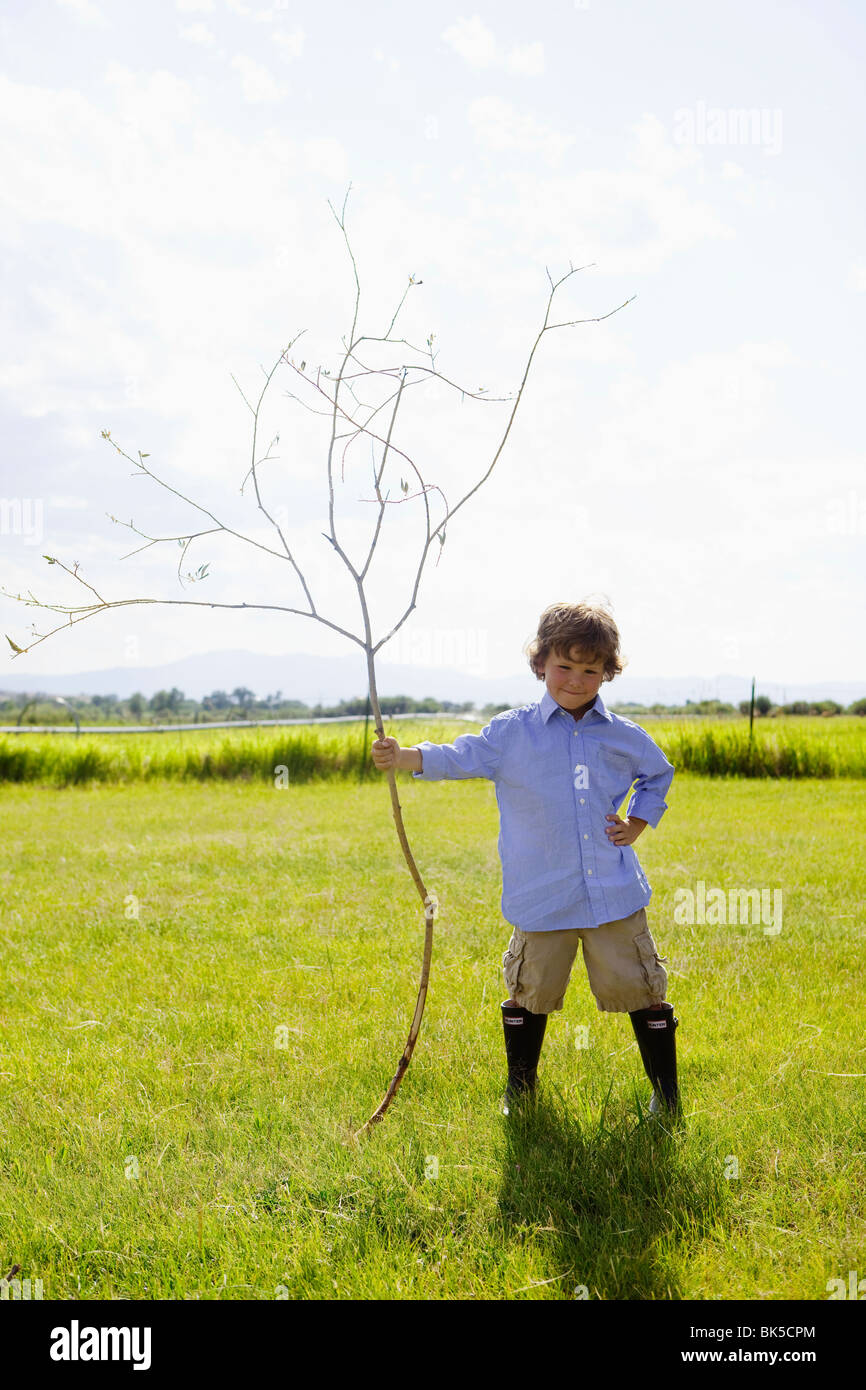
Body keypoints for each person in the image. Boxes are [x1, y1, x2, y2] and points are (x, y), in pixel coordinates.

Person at [370, 600, 679, 1122]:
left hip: (613, 895)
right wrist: (402, 757)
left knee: (642, 988)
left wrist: (637, 823)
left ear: (608, 672)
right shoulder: (512, 733)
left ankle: (666, 1098)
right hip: (542, 896)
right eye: (565, 666)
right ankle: (521, 1091)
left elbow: (658, 775)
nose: (577, 680)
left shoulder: (624, 736)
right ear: (540, 664)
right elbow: (456, 756)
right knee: (528, 992)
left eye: (591, 670)